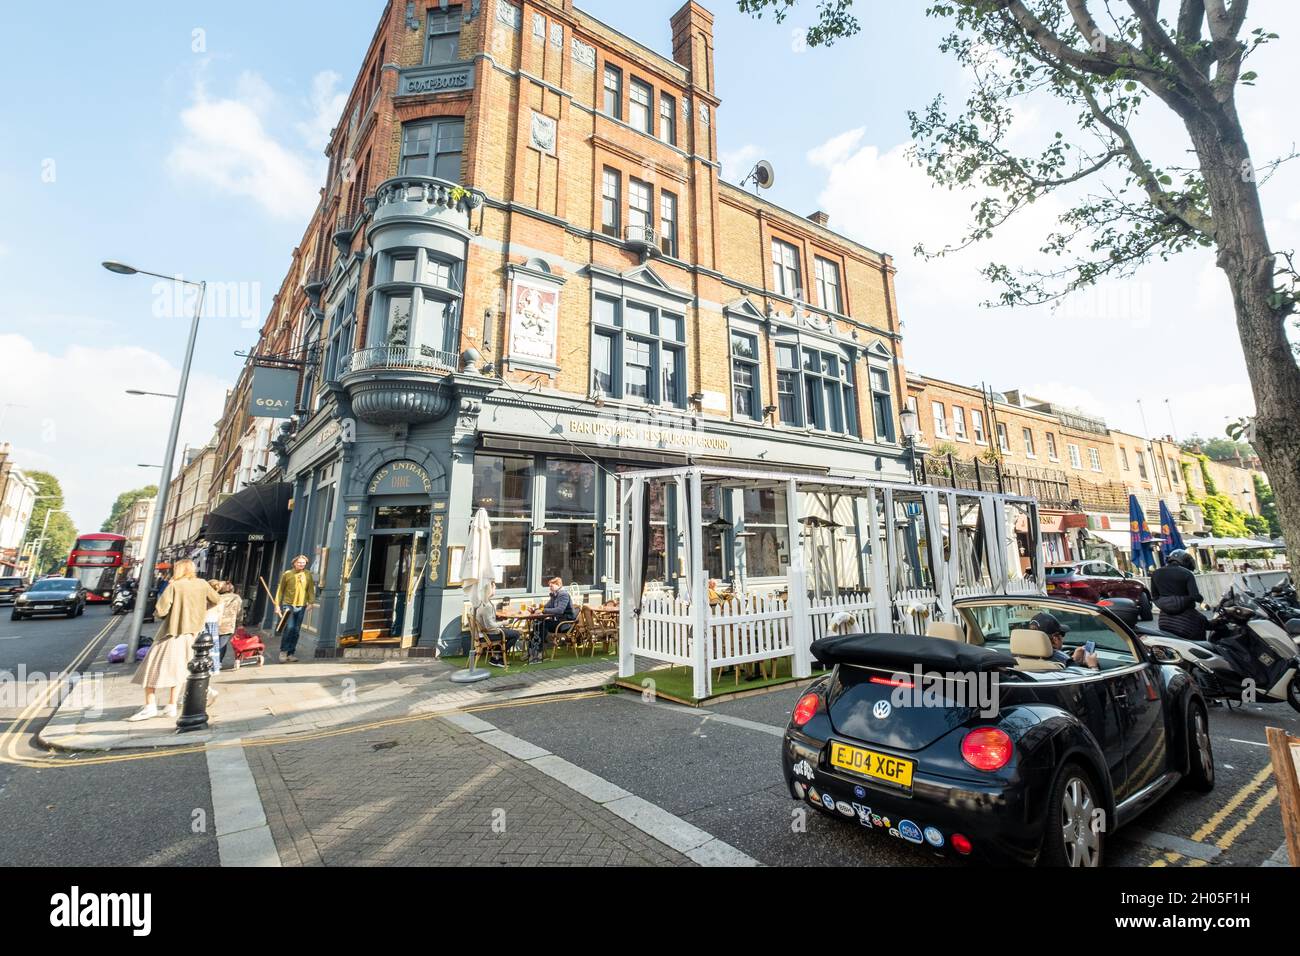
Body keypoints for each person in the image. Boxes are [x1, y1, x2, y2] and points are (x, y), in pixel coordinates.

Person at [128, 559, 219, 721]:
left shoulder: (175, 586)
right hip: (194, 634)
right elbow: (216, 600)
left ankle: (150, 706)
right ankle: (171, 705)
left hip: (173, 633)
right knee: (181, 670)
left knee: (151, 669)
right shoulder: (202, 583)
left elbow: (161, 610)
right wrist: (199, 610)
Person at [1151, 549, 1207, 641]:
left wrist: (1165, 602)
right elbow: (1195, 596)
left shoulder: (1156, 573)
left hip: (1164, 621)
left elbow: (1154, 596)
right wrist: (1201, 600)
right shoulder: (1187, 573)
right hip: (1187, 620)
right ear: (1184, 561)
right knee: (1202, 637)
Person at [274, 554, 317, 663]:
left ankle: (291, 653)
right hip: (288, 605)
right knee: (289, 628)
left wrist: (311, 602)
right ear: (294, 563)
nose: (301, 564)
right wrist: (277, 605)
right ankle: (283, 651)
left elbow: (310, 589)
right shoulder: (287, 574)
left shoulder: (308, 574)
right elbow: (280, 590)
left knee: (296, 630)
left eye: (303, 563)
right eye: (299, 562)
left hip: (301, 605)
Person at [1028, 612, 1096, 668]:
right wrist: (1093, 666)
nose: (1062, 638)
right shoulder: (1062, 662)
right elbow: (1092, 684)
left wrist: (1073, 660)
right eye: (1062, 634)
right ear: (1055, 639)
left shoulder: (1020, 658)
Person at [474, 582, 519, 667]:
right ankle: (498, 658)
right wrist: (503, 622)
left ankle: (496, 656)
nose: (495, 590)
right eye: (494, 588)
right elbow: (490, 626)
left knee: (510, 632)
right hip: (489, 635)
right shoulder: (487, 606)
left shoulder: (480, 602)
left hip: (482, 634)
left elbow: (488, 621)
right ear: (489, 590)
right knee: (516, 634)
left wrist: (499, 621)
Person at [533, 576, 575, 663]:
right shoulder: (555, 595)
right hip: (559, 622)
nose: (550, 588)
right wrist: (535, 609)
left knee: (542, 624)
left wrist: (542, 610)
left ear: (558, 585)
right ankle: (533, 650)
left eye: (551, 586)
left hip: (565, 624)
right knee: (537, 624)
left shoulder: (563, 594)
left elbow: (559, 610)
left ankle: (538, 652)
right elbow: (546, 606)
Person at [216, 581, 242, 665]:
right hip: (228, 624)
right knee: (222, 644)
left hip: (215, 622)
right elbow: (239, 612)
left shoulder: (217, 596)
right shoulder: (237, 598)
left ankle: (214, 661)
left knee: (213, 643)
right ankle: (218, 662)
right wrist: (239, 624)